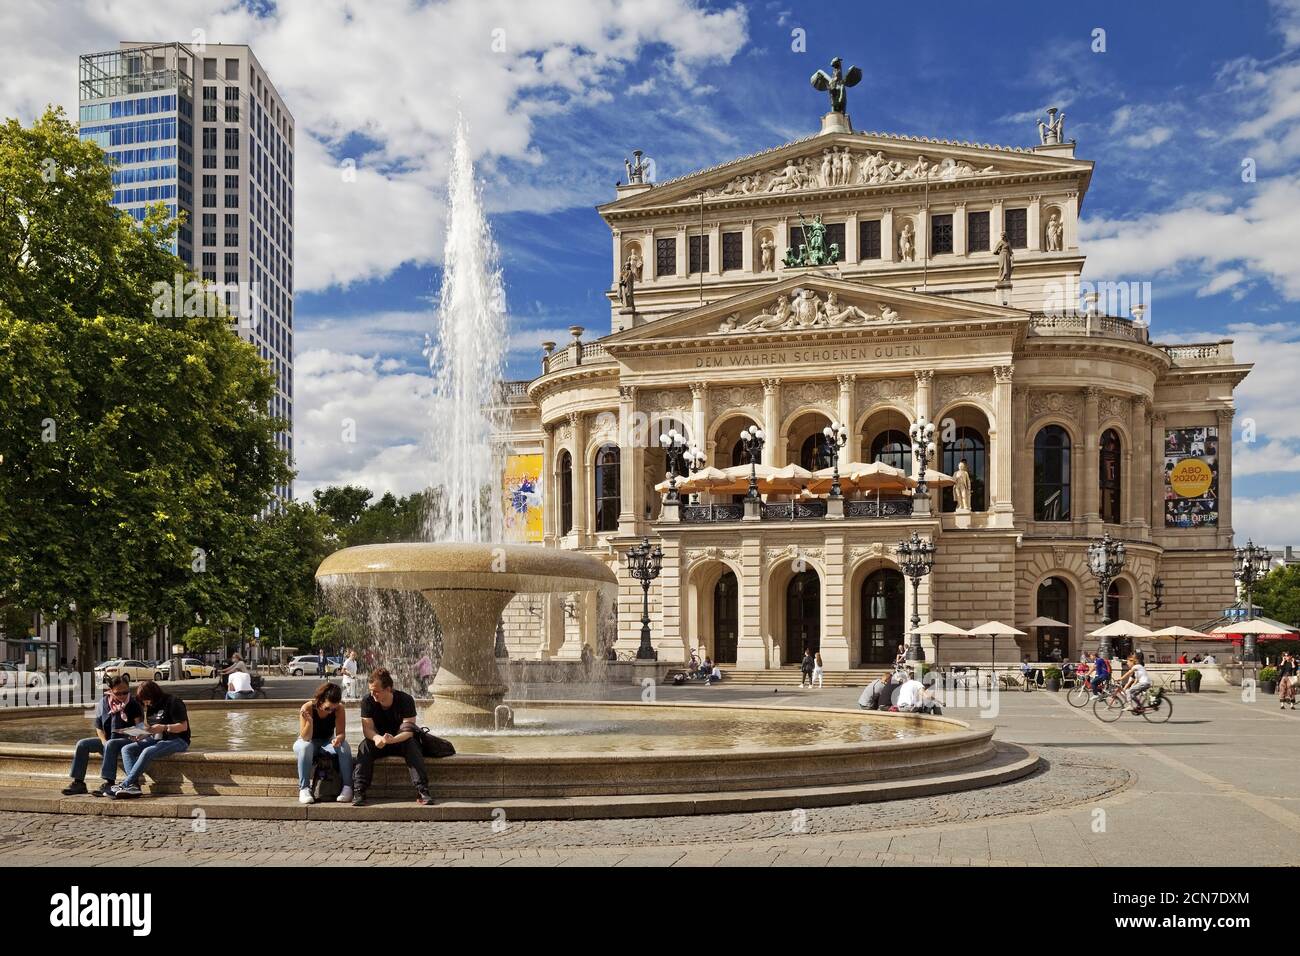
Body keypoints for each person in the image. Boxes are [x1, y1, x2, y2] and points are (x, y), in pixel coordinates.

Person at [352, 668, 430, 807]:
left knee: (412, 745)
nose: (372, 694)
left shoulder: (405, 699)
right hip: (379, 742)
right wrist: (376, 738)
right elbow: (367, 729)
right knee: (364, 746)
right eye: (371, 690)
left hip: (400, 741)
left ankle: (422, 790)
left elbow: (409, 731)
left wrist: (392, 740)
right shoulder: (367, 701)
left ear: (388, 689)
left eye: (376, 691)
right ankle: (359, 791)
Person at [61, 675, 144, 797]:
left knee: (111, 744)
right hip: (109, 741)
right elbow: (98, 726)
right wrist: (103, 740)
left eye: (125, 692)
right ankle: (78, 783)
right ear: (111, 690)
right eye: (118, 693)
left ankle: (109, 783)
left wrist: (132, 733)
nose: (122, 696)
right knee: (82, 744)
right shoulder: (104, 702)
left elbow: (141, 729)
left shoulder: (134, 704)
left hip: (127, 741)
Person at [113, 680, 190, 799]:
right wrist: (141, 734)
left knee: (147, 751)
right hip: (157, 738)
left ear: (154, 694)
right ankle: (133, 786)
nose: (145, 703)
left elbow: (183, 727)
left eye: (146, 699)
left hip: (178, 740)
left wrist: (165, 727)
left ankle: (126, 784)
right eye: (143, 701)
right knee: (127, 749)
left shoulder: (174, 702)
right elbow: (151, 728)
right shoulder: (151, 706)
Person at [295, 681, 354, 804]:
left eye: (333, 708)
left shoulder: (339, 709)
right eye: (328, 708)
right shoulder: (307, 708)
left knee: (344, 747)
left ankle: (347, 787)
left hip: (327, 742)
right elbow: (305, 737)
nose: (330, 712)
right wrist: (310, 722)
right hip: (307, 741)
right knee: (305, 747)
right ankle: (304, 789)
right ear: (320, 700)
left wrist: (338, 739)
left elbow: (341, 733)